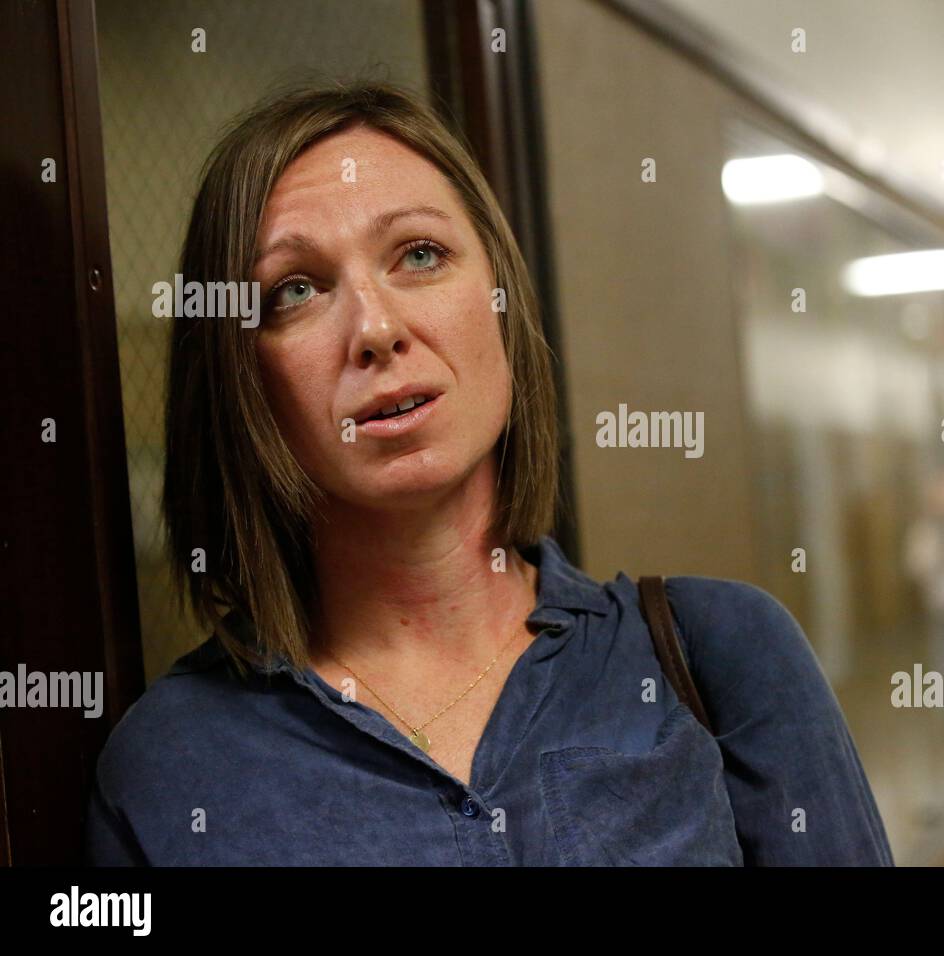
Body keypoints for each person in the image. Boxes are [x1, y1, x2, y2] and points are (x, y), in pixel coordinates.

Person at [83, 81, 893, 866]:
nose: (376, 328)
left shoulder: (717, 651)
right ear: (237, 377)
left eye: (421, 254)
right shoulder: (170, 769)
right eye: (296, 289)